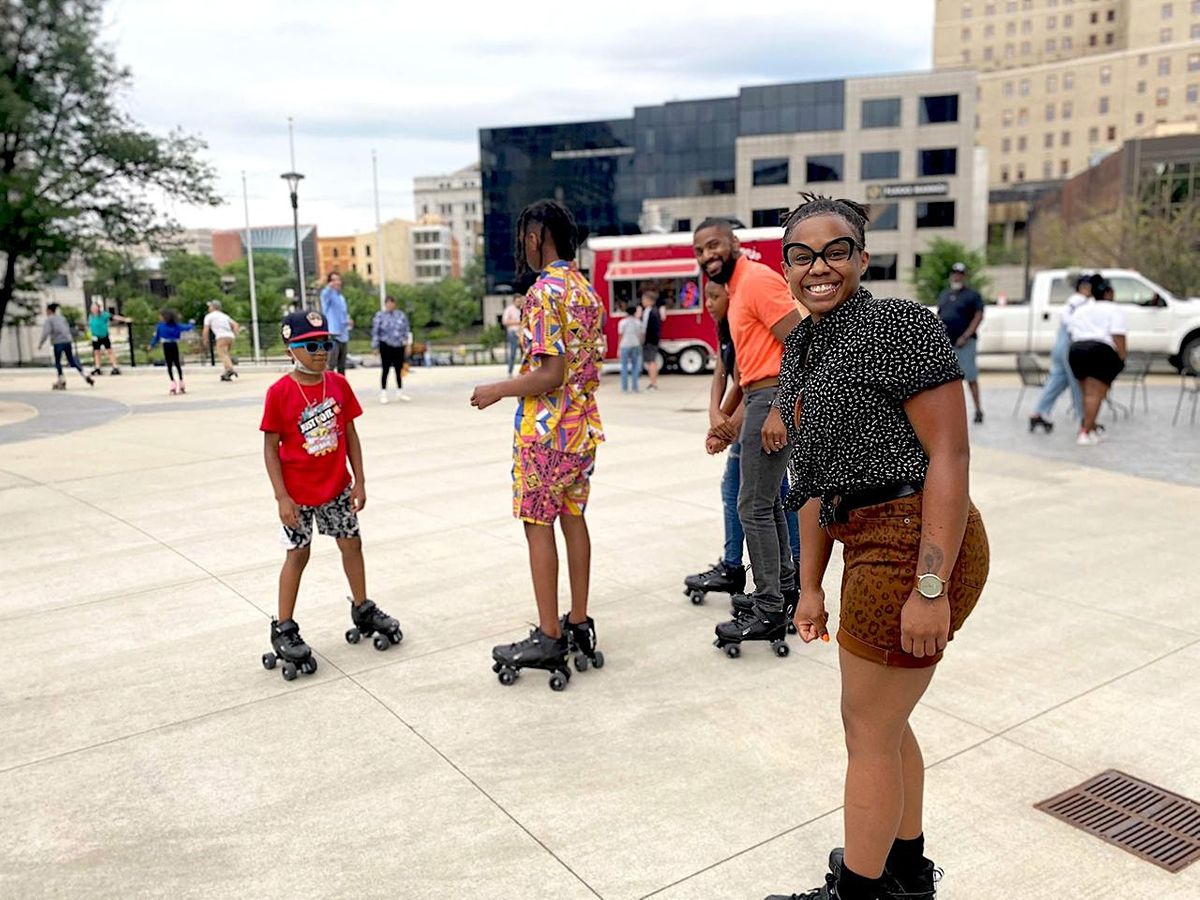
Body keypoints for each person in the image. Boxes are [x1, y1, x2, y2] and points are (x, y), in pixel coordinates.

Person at [762, 195, 989, 900]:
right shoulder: (802, 346)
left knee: (866, 727)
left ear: (862, 258)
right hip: (859, 535)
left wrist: (931, 589)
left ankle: (861, 892)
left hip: (915, 538)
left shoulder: (901, 326)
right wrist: (807, 587)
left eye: (836, 251)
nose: (820, 266)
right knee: (884, 723)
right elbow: (808, 481)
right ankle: (905, 869)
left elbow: (949, 455)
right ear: (787, 267)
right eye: (803, 255)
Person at [470, 199, 606, 687]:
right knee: (573, 519)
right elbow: (586, 368)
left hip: (546, 433)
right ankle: (578, 620)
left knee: (537, 524)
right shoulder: (587, 292)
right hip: (583, 428)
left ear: (534, 237)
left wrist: (497, 389)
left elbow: (550, 373)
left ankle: (549, 636)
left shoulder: (542, 294)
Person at [259, 309, 403, 679]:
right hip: (297, 493)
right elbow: (270, 447)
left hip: (336, 486)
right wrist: (281, 497)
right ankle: (284, 626)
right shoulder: (279, 393)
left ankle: (362, 606)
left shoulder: (338, 385)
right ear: (291, 348)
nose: (321, 352)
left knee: (351, 544)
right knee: (298, 554)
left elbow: (350, 434)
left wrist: (360, 480)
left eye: (326, 344)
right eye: (311, 346)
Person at [693, 217, 803, 655]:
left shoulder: (755, 281)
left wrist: (779, 409)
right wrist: (731, 425)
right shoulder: (737, 291)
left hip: (773, 397)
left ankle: (770, 605)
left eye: (714, 245)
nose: (707, 256)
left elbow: (801, 343)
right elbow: (750, 369)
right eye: (700, 250)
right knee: (767, 501)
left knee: (751, 505)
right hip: (760, 398)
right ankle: (783, 591)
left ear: (734, 243)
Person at [1067, 279, 1127, 446]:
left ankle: (1091, 428)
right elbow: (1118, 335)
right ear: (1108, 293)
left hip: (1077, 349)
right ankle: (1085, 431)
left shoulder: (1082, 309)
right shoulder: (1114, 310)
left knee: (1086, 393)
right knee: (1095, 394)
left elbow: (1071, 331)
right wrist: (1122, 358)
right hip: (1099, 350)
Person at [1029, 275, 1090, 433]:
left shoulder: (1073, 300)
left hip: (1060, 346)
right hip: (1070, 347)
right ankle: (1084, 418)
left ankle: (1040, 411)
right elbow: (1069, 319)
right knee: (1077, 383)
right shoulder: (1081, 301)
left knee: (1056, 381)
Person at [936, 262, 985, 424]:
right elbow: (940, 314)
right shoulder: (944, 294)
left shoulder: (972, 295)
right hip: (947, 342)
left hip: (965, 342)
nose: (957, 276)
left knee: (970, 376)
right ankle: (948, 412)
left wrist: (966, 335)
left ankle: (978, 409)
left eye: (960, 273)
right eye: (954, 273)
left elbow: (978, 316)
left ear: (964, 276)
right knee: (947, 379)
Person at [38, 303, 94, 389]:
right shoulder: (62, 318)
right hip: (67, 340)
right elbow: (67, 329)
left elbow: (46, 332)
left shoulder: (49, 320)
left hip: (58, 342)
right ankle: (84, 374)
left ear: (49, 310)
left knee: (58, 362)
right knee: (71, 359)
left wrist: (41, 343)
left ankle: (62, 379)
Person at [371, 295, 412, 404]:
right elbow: (375, 332)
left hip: (398, 345)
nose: (390, 305)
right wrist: (375, 346)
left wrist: (408, 344)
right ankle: (383, 393)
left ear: (395, 304)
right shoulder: (380, 316)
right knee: (386, 369)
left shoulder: (401, 315)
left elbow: (406, 331)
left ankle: (400, 391)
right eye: (388, 303)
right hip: (385, 344)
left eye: (392, 303)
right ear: (385, 304)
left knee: (399, 369)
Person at [149, 308, 194, 395]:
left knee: (169, 364)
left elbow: (156, 337)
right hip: (174, 345)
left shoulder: (160, 326)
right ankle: (181, 382)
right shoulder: (176, 326)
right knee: (177, 364)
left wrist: (151, 345)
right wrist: (192, 323)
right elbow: (187, 327)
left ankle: (173, 383)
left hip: (166, 345)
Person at [320, 273, 352, 375]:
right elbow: (325, 294)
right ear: (329, 282)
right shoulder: (327, 295)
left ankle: (341, 389)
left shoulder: (341, 297)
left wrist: (348, 320)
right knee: (331, 365)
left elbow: (343, 313)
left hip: (343, 334)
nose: (337, 282)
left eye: (338, 280)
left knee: (342, 366)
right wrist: (329, 286)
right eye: (333, 280)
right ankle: (328, 388)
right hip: (333, 334)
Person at [87, 302, 131, 375]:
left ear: (98, 308)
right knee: (96, 352)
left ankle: (115, 367)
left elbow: (113, 317)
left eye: (95, 307)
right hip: (95, 337)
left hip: (104, 336)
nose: (93, 309)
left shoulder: (103, 315)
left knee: (109, 351)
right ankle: (97, 367)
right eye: (92, 308)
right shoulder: (91, 316)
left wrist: (124, 319)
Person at [202, 300, 240, 381]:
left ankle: (230, 369)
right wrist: (235, 334)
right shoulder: (225, 316)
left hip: (221, 336)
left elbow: (206, 329)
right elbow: (236, 325)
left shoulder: (209, 316)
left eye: (210, 306)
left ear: (213, 307)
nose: (209, 308)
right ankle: (226, 372)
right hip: (230, 336)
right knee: (226, 354)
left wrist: (205, 339)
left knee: (222, 354)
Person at [618, 303, 645, 392]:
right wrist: (640, 343)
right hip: (635, 344)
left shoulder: (622, 322)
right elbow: (641, 335)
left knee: (624, 367)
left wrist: (618, 347)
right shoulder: (638, 322)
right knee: (635, 366)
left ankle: (625, 388)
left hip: (625, 345)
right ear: (635, 312)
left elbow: (620, 335)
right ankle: (634, 387)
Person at [641, 290, 663, 390]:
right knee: (651, 361)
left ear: (650, 300)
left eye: (644, 299)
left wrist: (645, 339)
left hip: (650, 340)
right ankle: (652, 382)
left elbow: (647, 328)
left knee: (651, 361)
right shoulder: (653, 311)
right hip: (652, 340)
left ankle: (653, 383)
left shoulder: (650, 311)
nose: (643, 301)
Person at [501, 295, 522, 376]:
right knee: (513, 353)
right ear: (514, 301)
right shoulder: (509, 310)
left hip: (521, 333)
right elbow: (505, 322)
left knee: (523, 354)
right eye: (517, 301)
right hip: (513, 332)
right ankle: (510, 371)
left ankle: (522, 371)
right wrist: (517, 322)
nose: (519, 303)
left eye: (520, 301)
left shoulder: (521, 309)